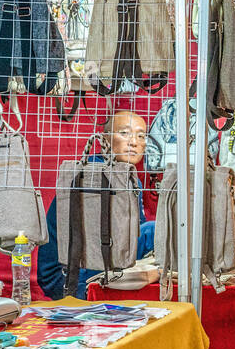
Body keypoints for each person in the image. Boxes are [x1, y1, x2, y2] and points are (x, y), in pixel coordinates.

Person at [37, 111, 155, 300]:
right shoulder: (92, 175)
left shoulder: (126, 177)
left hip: (99, 260)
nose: (133, 142)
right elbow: (94, 242)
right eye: (124, 133)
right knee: (153, 231)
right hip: (67, 275)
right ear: (104, 140)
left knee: (151, 233)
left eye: (141, 136)